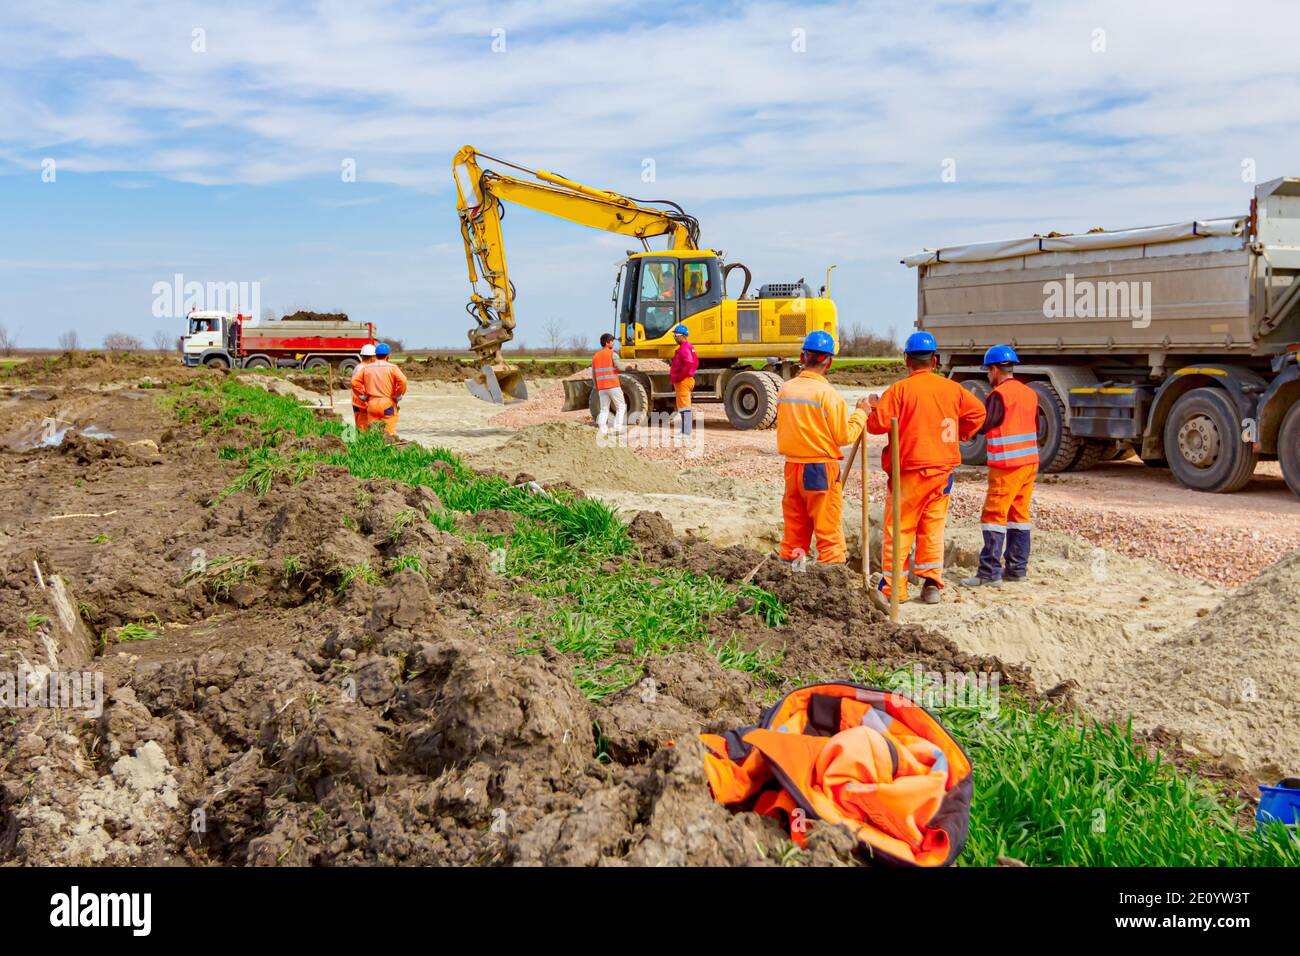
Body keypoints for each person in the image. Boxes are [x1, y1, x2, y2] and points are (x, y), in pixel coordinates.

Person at [867, 330, 985, 608]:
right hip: (942, 471)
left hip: (909, 471)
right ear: (934, 359)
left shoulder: (899, 390)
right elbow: (978, 413)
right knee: (933, 526)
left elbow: (876, 425)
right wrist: (960, 434)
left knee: (900, 527)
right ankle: (931, 584)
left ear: (907, 359)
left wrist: (872, 407)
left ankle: (895, 588)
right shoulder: (952, 388)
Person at [776, 330, 870, 565]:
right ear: (829, 361)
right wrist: (861, 413)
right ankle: (832, 575)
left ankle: (793, 573)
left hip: (793, 467)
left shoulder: (785, 390)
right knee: (827, 528)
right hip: (819, 469)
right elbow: (843, 436)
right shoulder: (828, 395)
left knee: (796, 526)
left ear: (802, 357)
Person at [962, 345, 1039, 587]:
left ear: (995, 369)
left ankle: (988, 573)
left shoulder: (999, 395)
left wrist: (965, 427)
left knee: (993, 516)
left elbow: (986, 424)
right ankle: (1016, 568)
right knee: (1019, 515)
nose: (988, 376)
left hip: (1007, 464)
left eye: (988, 371)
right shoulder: (1030, 393)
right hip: (1029, 462)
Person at [362, 342, 408, 436]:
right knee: (389, 433)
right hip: (387, 404)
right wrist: (398, 393)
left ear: (376, 355)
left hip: (371, 404)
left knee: (373, 432)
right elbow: (403, 381)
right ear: (388, 356)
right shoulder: (392, 368)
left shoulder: (367, 368)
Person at [592, 332, 627, 435]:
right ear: (607, 343)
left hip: (602, 388)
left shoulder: (595, 356)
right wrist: (628, 366)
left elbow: (593, 374)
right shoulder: (612, 354)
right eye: (612, 342)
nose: (613, 344)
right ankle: (617, 428)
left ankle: (603, 430)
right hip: (613, 386)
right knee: (621, 407)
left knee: (604, 409)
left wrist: (597, 387)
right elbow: (620, 367)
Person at [669, 324, 698, 436]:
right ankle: (685, 430)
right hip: (687, 379)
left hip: (683, 380)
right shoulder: (689, 347)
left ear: (682, 336)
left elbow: (690, 363)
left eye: (676, 335)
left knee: (684, 406)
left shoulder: (684, 348)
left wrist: (680, 376)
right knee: (683, 405)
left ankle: (686, 432)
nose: (675, 337)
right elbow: (695, 363)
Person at [351, 344, 377, 432]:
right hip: (361, 404)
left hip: (359, 403)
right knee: (362, 428)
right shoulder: (363, 368)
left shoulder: (359, 367)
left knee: (362, 427)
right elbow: (357, 385)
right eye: (375, 356)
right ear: (372, 357)